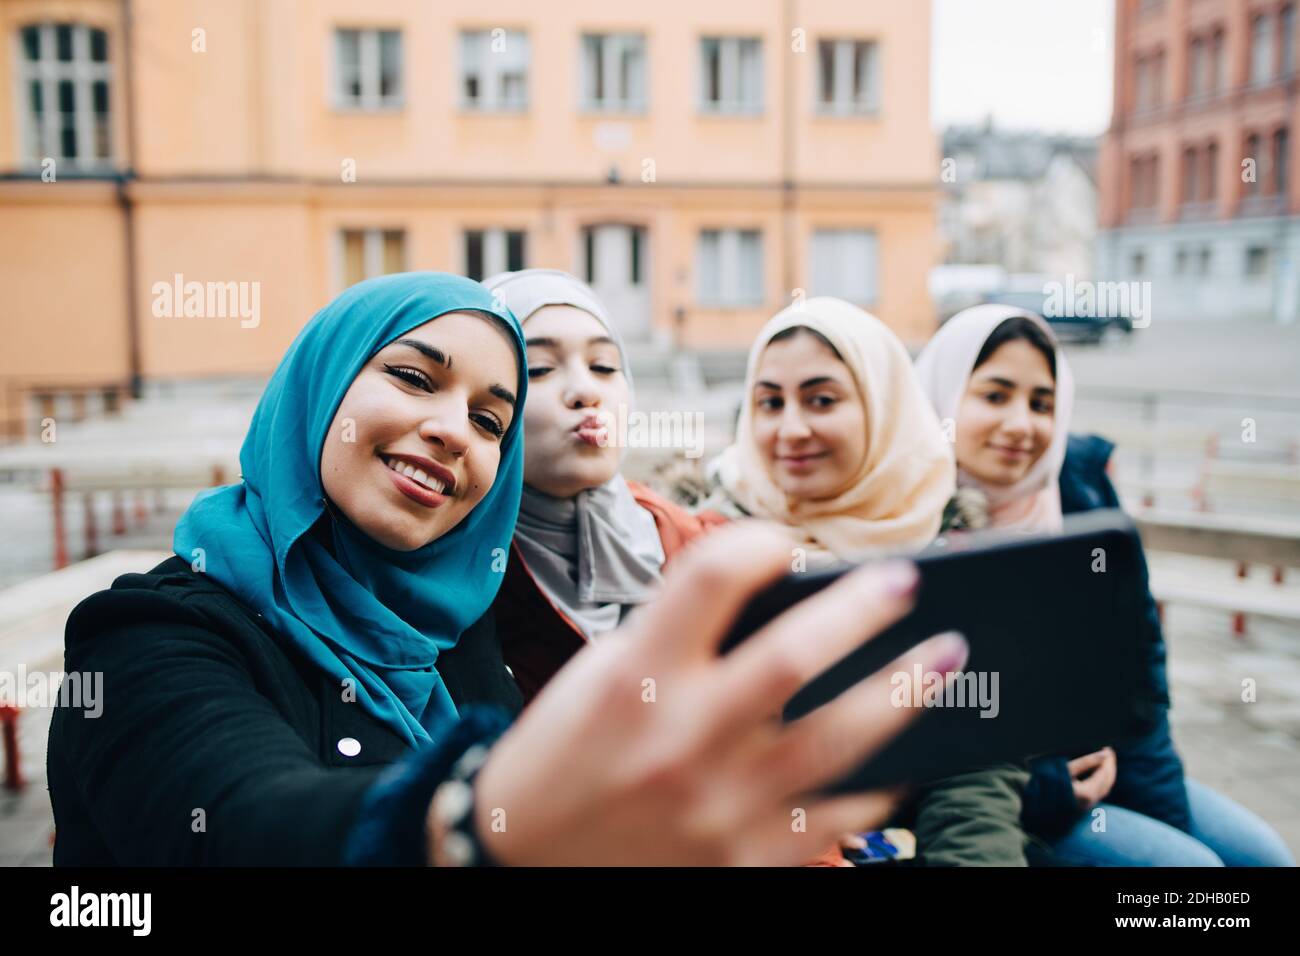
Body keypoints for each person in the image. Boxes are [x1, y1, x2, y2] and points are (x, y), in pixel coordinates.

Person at [46, 271, 966, 866]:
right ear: (319, 383)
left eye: (491, 420)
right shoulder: (149, 636)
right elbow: (244, 823)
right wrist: (466, 823)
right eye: (413, 378)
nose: (455, 428)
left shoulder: (462, 629)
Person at [914, 303, 1295, 867]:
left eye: (1042, 403)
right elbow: (932, 731)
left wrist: (1162, 806)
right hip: (1003, 802)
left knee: (1262, 857)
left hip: (1110, 767)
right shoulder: (912, 522)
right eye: (995, 396)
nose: (1022, 424)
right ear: (943, 396)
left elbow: (1138, 670)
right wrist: (1048, 788)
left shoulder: (1081, 499)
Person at [695, 297, 1032, 866]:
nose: (791, 428)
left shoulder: (948, 552)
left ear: (883, 406)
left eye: (821, 400)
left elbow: (975, 770)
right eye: (770, 402)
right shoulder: (704, 548)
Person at [480, 269, 715, 703]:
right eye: (540, 368)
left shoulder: (697, 547)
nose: (586, 391)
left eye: (604, 366)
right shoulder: (453, 572)